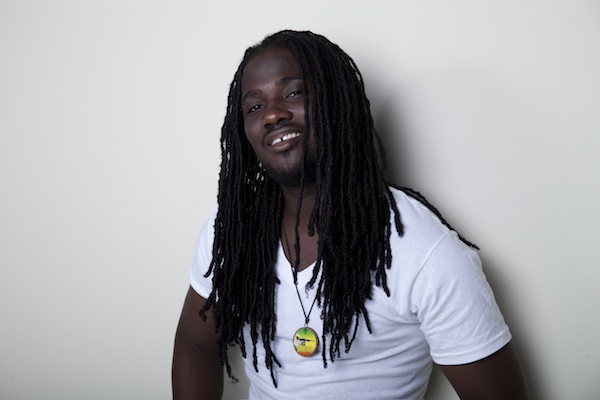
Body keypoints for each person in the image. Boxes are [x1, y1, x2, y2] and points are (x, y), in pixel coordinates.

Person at [172, 30, 528, 399]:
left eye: (294, 93)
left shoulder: (425, 253)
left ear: (337, 101)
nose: (273, 114)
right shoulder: (231, 231)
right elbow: (195, 343)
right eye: (254, 107)